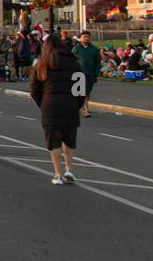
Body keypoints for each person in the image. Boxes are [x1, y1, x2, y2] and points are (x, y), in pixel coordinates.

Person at [30, 35, 83, 186]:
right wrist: (77, 103)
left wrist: (43, 102)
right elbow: (81, 85)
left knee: (54, 141)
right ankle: (69, 169)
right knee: (69, 139)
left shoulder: (42, 63)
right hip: (70, 103)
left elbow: (34, 89)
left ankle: (58, 174)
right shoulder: (73, 62)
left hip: (50, 104)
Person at [73, 30, 101, 117]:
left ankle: (83, 107)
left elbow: (98, 63)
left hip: (90, 74)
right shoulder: (76, 49)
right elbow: (71, 61)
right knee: (81, 92)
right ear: (80, 38)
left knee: (87, 92)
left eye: (87, 37)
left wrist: (96, 74)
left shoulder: (94, 49)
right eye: (84, 37)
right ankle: (85, 109)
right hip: (79, 73)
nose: (86, 38)